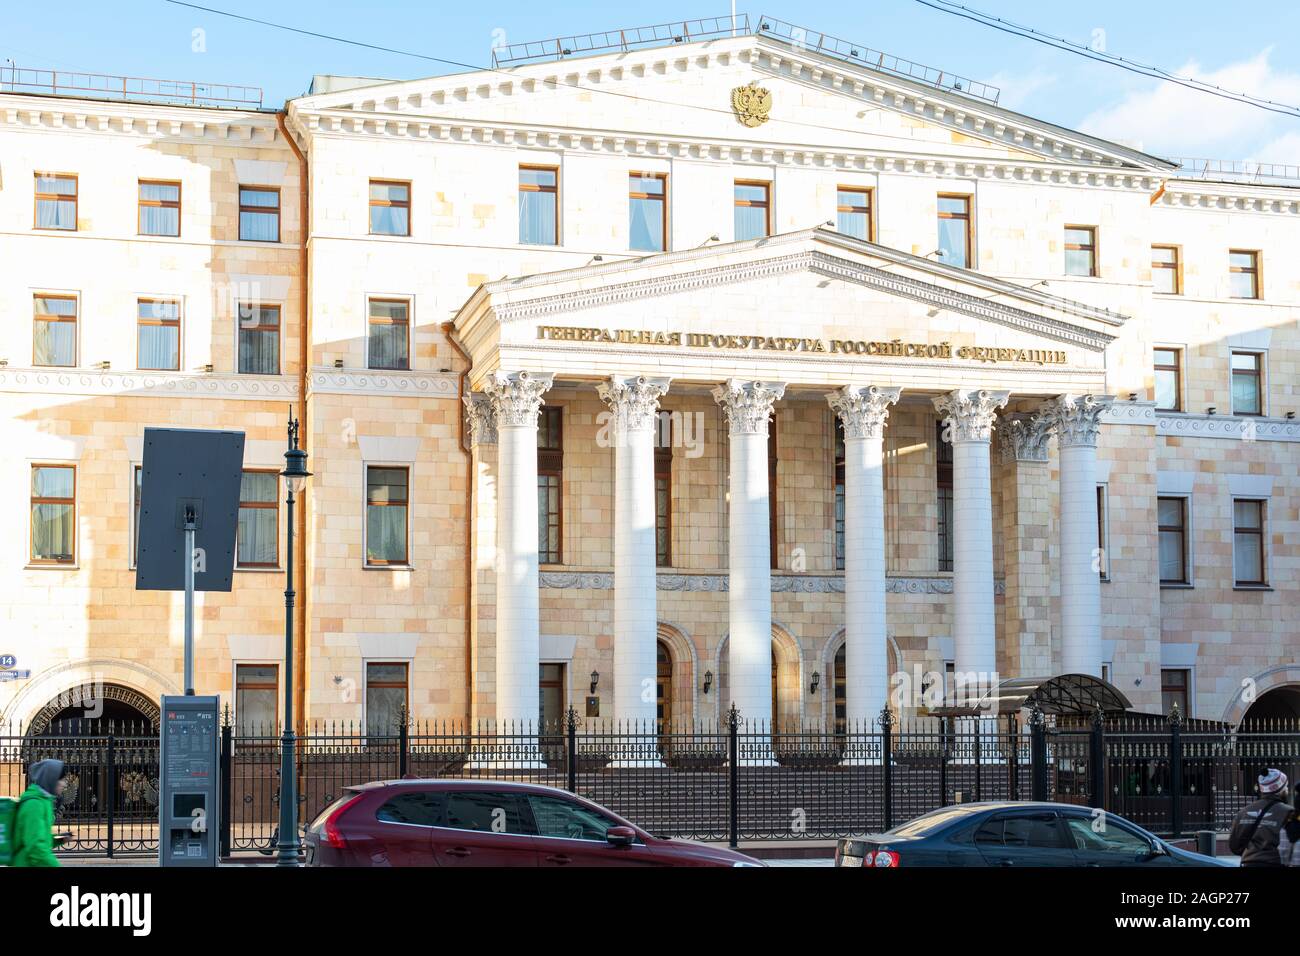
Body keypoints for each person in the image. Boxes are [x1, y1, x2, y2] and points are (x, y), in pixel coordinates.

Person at [1228, 768, 1293, 867]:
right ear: (1280, 789)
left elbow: (1234, 846)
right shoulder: (1289, 812)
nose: (1287, 790)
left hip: (1248, 863)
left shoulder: (1243, 812)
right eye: (1286, 787)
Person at [11, 758, 68, 867]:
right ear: (51, 779)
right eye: (61, 779)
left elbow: (39, 838)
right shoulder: (34, 805)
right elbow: (35, 848)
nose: (64, 784)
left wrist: (59, 839)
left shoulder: (44, 801)